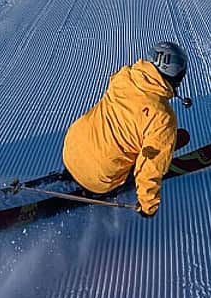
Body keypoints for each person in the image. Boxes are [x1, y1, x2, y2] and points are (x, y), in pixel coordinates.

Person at [61, 41, 189, 218]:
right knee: (148, 149)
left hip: (71, 149)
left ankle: (77, 168)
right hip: (98, 178)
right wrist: (148, 204)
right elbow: (149, 167)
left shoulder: (125, 76)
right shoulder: (162, 118)